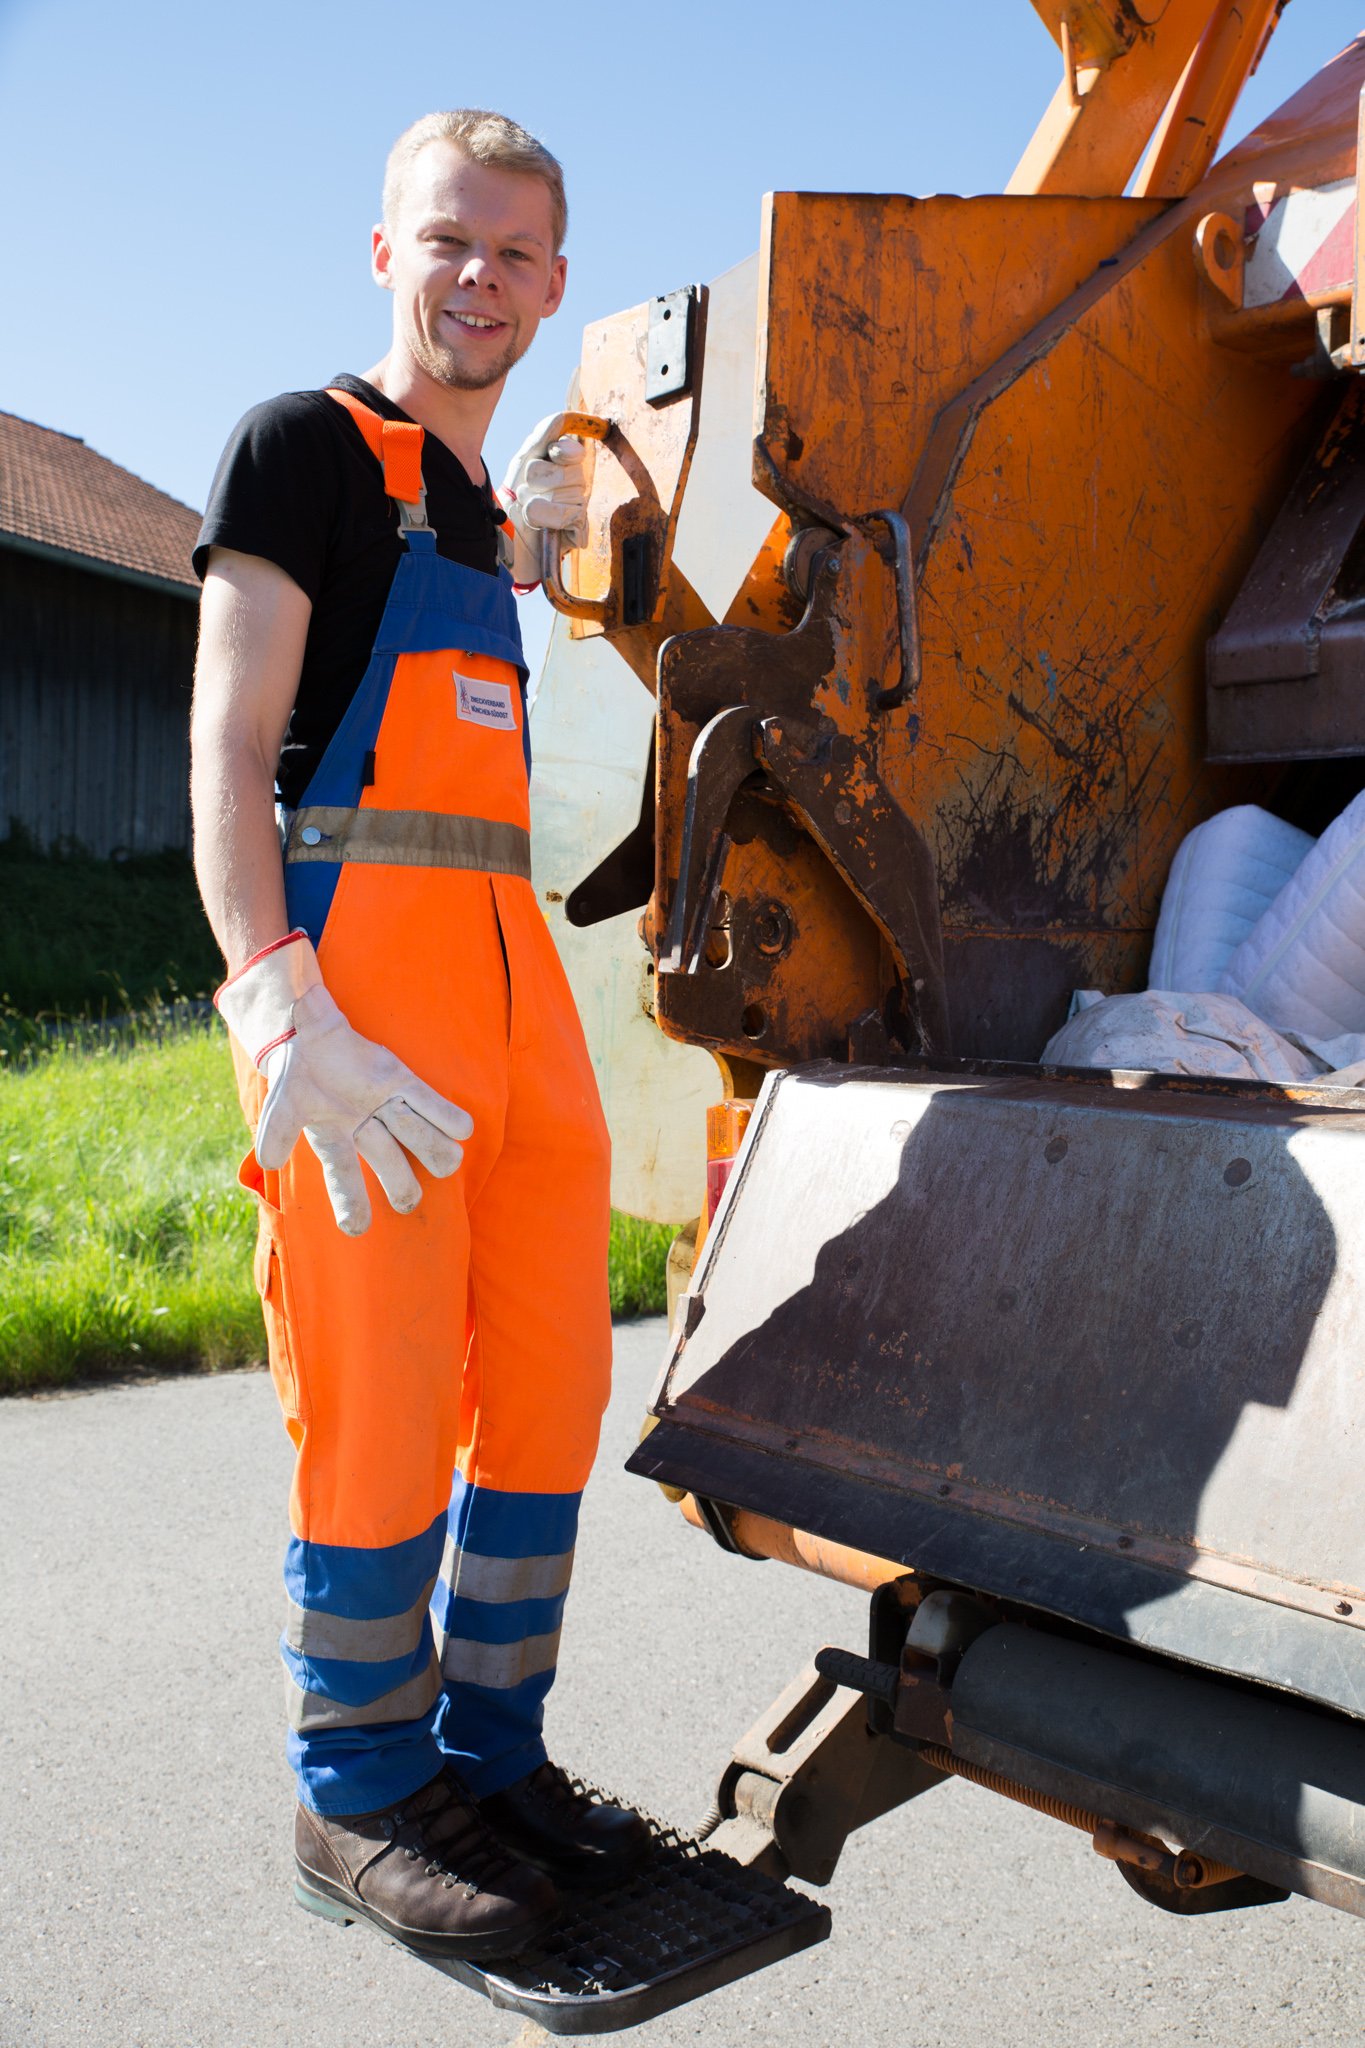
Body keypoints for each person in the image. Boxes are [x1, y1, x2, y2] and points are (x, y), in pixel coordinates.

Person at [189, 107, 646, 1966]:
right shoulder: (299, 449)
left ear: (554, 287)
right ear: (389, 254)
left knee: (545, 1381)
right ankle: (356, 1791)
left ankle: (488, 1750)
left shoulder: (478, 511)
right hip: (357, 988)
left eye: (517, 253)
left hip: (510, 979)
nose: (482, 278)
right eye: (448, 241)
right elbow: (229, 746)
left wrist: (550, 543)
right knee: (375, 1400)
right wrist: (275, 1000)